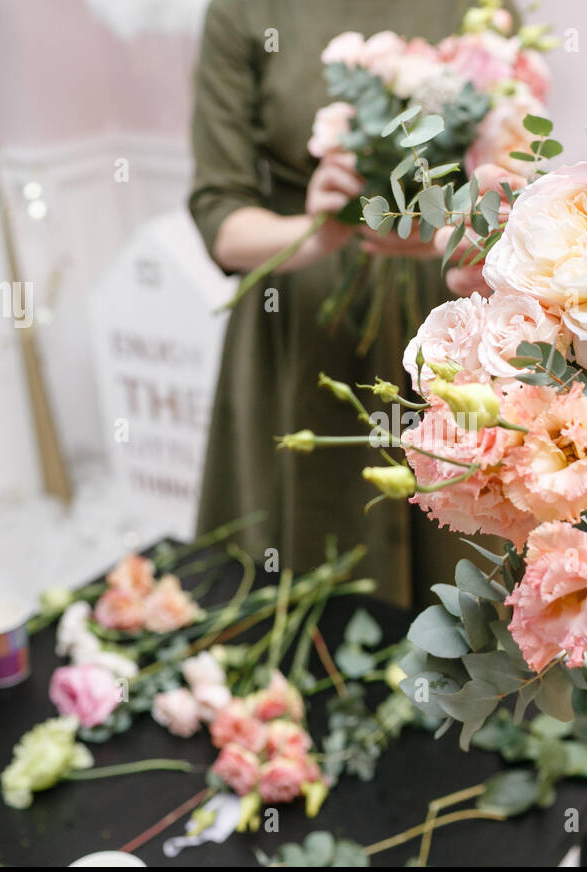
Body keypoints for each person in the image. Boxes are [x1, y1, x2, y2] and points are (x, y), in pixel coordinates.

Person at [188, 0, 484, 608]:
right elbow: (220, 217)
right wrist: (320, 229)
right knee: (303, 584)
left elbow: (506, 175)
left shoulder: (481, 11)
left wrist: (443, 232)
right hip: (297, 326)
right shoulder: (244, 13)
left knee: (461, 560)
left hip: (445, 326)